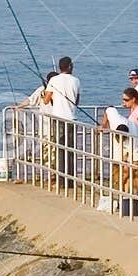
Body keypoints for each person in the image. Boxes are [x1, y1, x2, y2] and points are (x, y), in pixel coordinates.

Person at [43, 56, 80, 186]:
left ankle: (61, 179)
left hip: (58, 118)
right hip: (71, 119)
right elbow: (76, 101)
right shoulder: (76, 81)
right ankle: (70, 180)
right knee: (70, 150)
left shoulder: (53, 80)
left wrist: (47, 90)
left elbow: (46, 100)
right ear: (69, 66)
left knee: (60, 149)